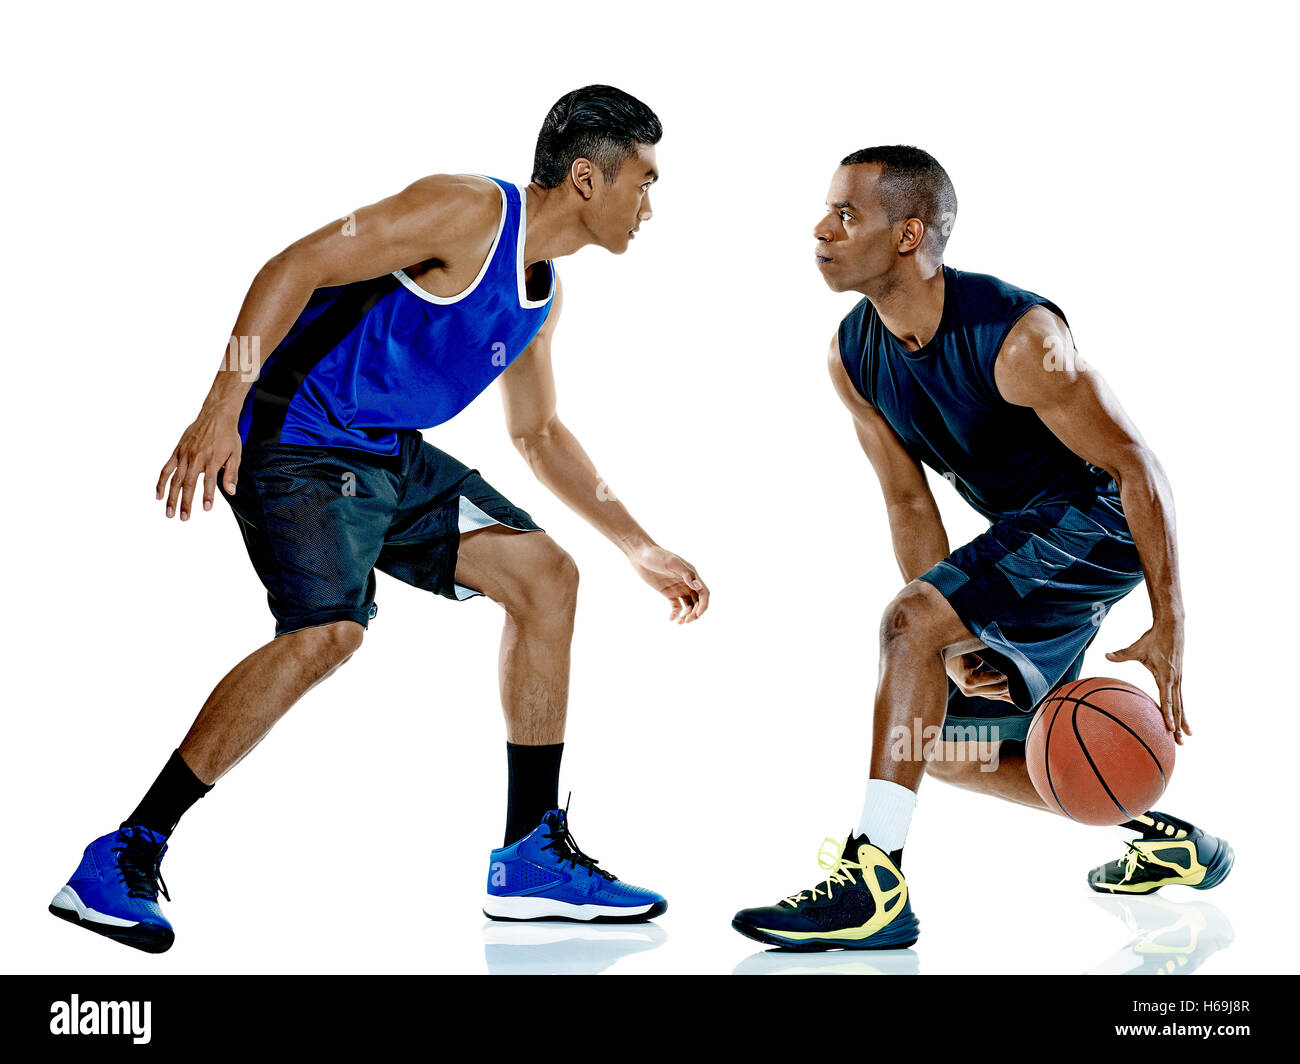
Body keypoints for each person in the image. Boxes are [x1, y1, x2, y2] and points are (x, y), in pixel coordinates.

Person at [50, 85, 708, 953]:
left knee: (545, 575)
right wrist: (222, 403)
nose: (651, 206)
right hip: (297, 430)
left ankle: (529, 858)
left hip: (384, 450)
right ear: (588, 179)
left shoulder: (541, 294)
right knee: (328, 632)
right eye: (646, 182)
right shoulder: (467, 210)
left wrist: (640, 546)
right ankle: (122, 853)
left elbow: (539, 432)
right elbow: (293, 266)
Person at [731, 146, 1231, 951]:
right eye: (828, 211)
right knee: (932, 743)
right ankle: (1158, 834)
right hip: (1023, 542)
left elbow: (1139, 469)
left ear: (908, 234)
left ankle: (873, 881)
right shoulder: (852, 355)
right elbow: (906, 500)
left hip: (1097, 521)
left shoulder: (1017, 337)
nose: (821, 228)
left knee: (904, 624)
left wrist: (1171, 622)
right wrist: (952, 642)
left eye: (846, 214)